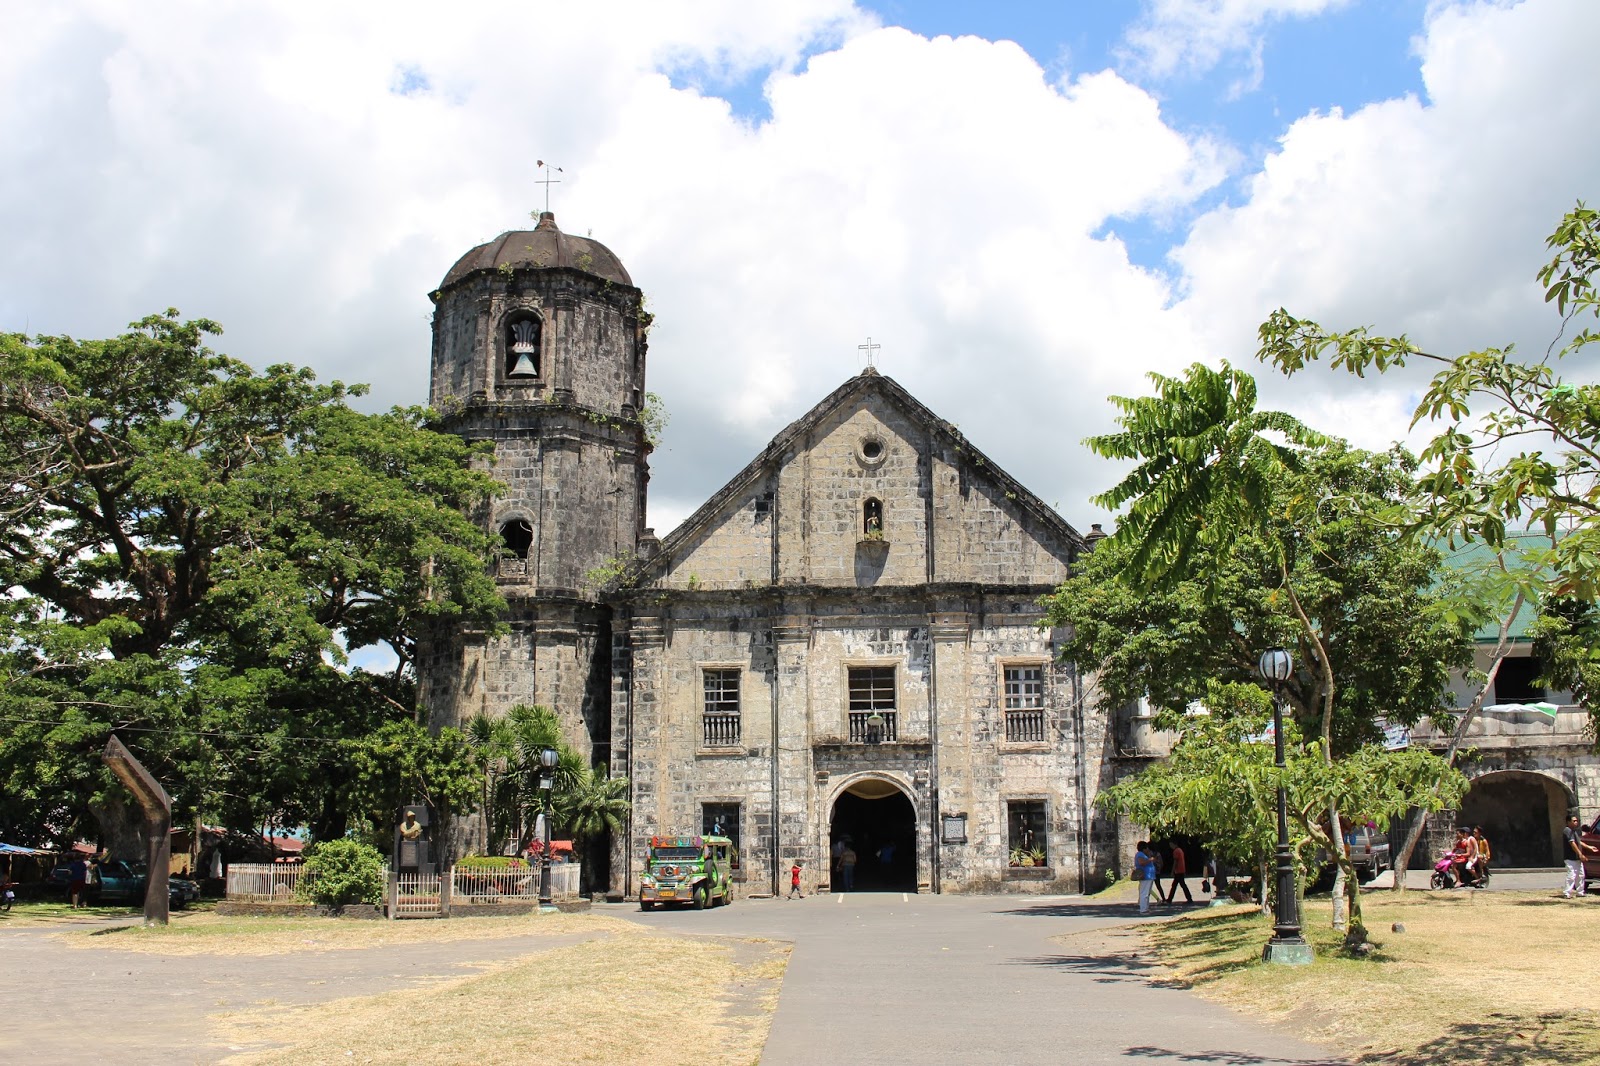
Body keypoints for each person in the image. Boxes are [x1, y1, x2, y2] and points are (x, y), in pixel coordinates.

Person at [1562, 814, 1592, 898]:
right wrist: (1580, 854)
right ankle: (1566, 893)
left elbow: (1579, 842)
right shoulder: (1567, 830)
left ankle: (1580, 892)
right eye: (1574, 821)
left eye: (1576, 821)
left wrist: (1589, 847)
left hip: (1577, 859)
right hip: (1570, 858)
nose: (1576, 822)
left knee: (1581, 875)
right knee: (1571, 875)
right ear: (1568, 822)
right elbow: (1572, 843)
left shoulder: (1574, 831)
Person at [1134, 841, 1157, 915]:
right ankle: (1143, 909)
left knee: (1147, 893)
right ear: (1143, 848)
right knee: (1144, 893)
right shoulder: (1140, 854)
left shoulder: (1144, 854)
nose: (1148, 849)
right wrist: (1150, 860)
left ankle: (1146, 908)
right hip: (1145, 876)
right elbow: (1141, 863)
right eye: (1146, 848)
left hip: (1149, 876)